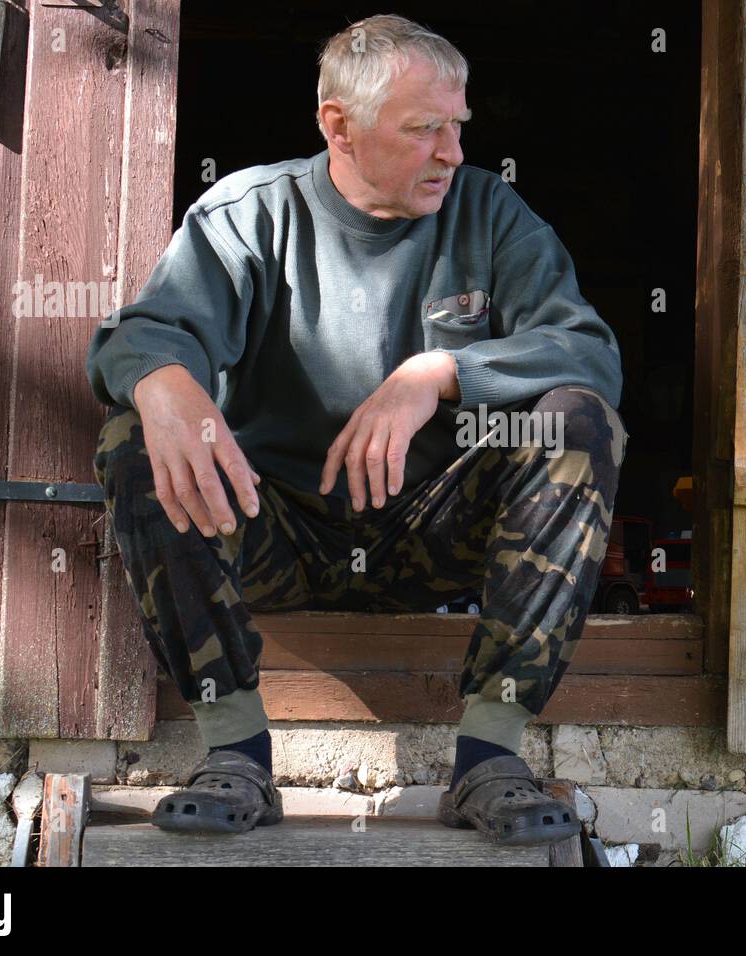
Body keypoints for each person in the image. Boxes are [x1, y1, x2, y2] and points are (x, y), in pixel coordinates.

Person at [86, 13, 626, 846]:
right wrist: (164, 384)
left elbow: (588, 350)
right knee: (135, 432)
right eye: (424, 130)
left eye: (458, 127)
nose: (451, 151)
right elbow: (144, 331)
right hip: (275, 534)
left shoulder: (491, 213)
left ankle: (491, 757)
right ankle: (233, 751)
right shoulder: (249, 215)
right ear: (337, 125)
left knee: (577, 424)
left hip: (434, 536)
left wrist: (440, 374)